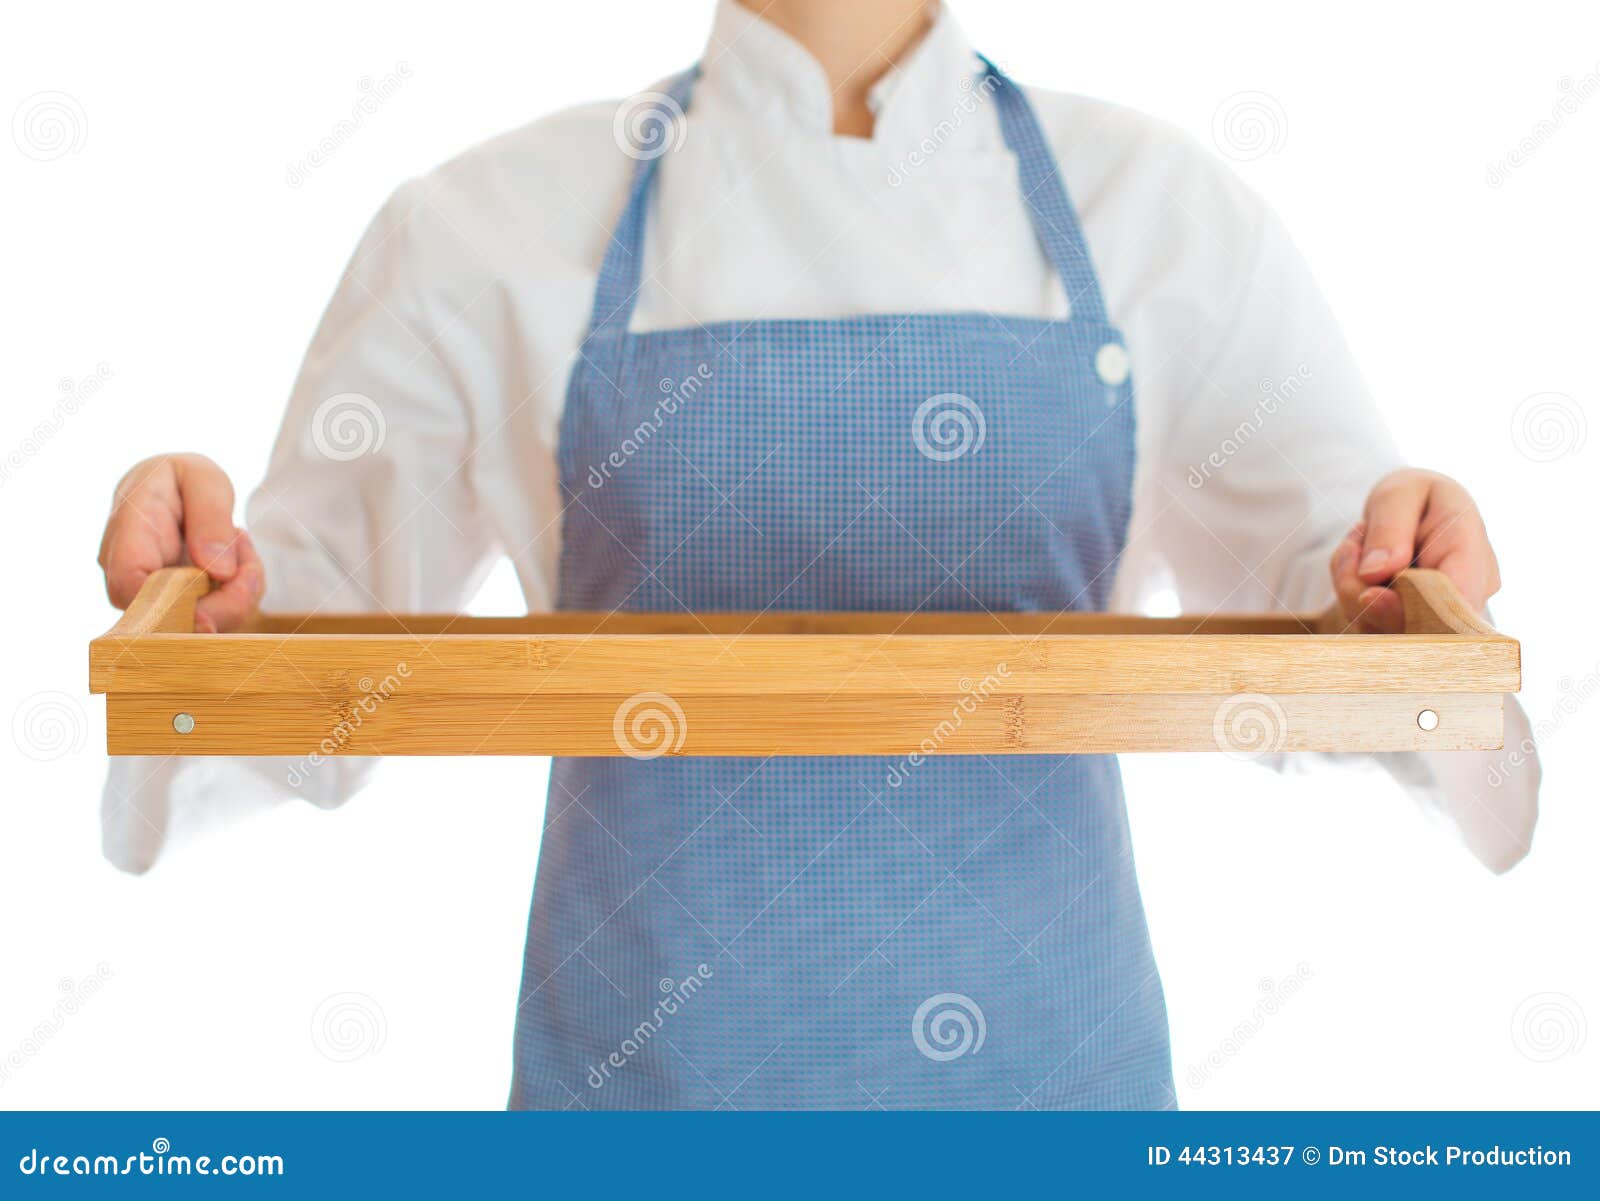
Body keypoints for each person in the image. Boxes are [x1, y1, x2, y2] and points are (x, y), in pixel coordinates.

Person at [95, 0, 1538, 1109]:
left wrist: (1408, 573)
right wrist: (208, 588)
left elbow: (1366, 646)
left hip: (1055, 1108)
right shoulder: (479, 227)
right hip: (641, 1106)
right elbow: (297, 675)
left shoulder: (1165, 212)